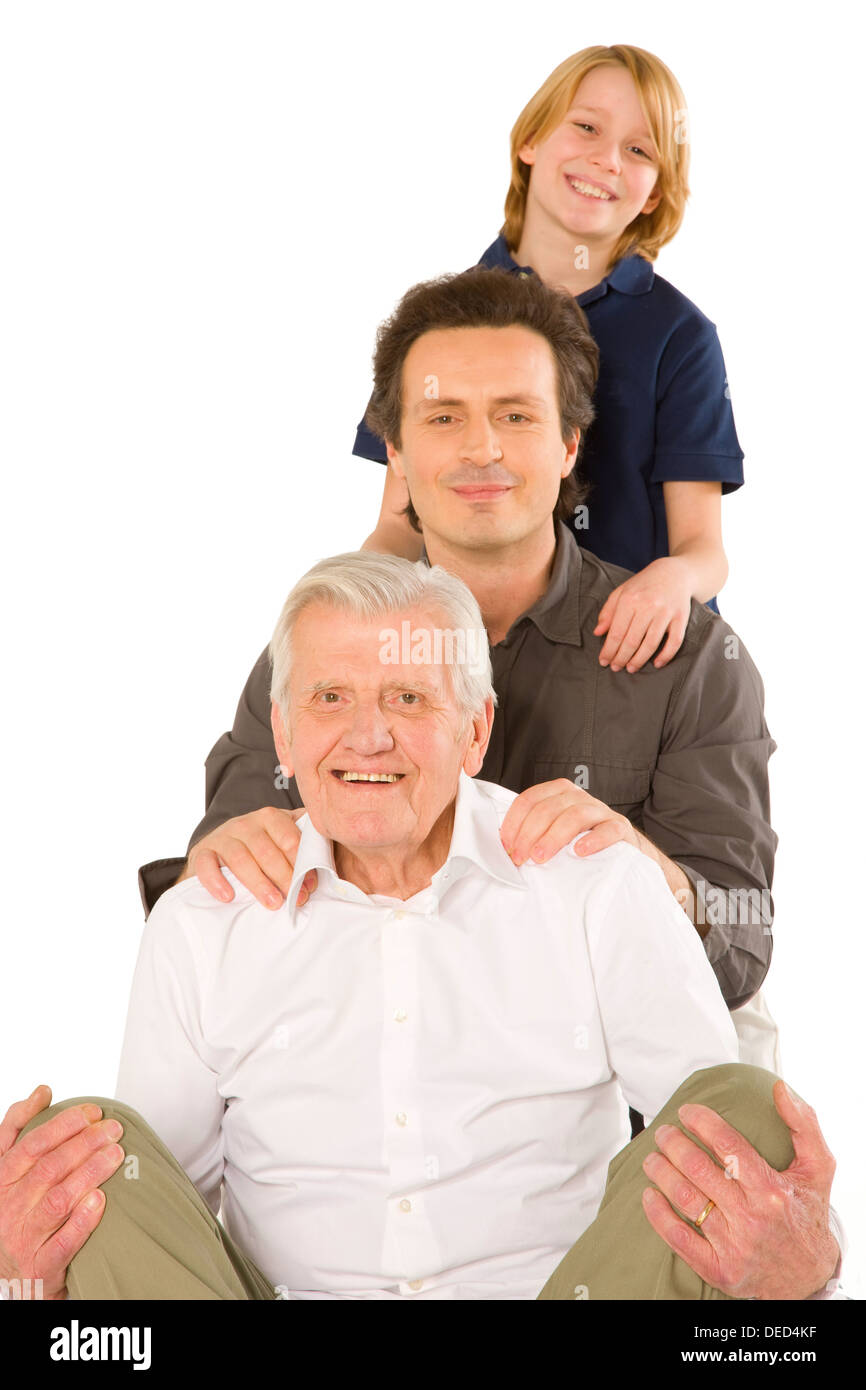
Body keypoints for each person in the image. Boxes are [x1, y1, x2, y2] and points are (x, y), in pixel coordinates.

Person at [0, 557, 841, 1300]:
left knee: (740, 1110)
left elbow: (729, 1153)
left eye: (408, 697)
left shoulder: (593, 881)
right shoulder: (202, 918)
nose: (369, 735)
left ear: (475, 731)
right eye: (330, 698)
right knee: (75, 1156)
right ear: (285, 736)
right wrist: (24, 1270)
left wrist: (816, 1258)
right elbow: (153, 1208)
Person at [140, 268, 774, 1017]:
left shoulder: (693, 660)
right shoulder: (316, 641)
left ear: (570, 445)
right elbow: (212, 904)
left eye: (515, 417)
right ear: (397, 453)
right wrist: (219, 868)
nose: (481, 450)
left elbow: (739, 953)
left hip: (611, 1077)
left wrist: (641, 868)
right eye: (443, 418)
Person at [358, 44, 742, 665]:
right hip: (472, 648)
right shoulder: (444, 322)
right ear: (530, 140)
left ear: (652, 195)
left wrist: (672, 581)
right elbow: (402, 525)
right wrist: (347, 603)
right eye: (586, 126)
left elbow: (703, 549)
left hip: (625, 656)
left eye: (639, 150)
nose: (605, 158)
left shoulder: (681, 336)